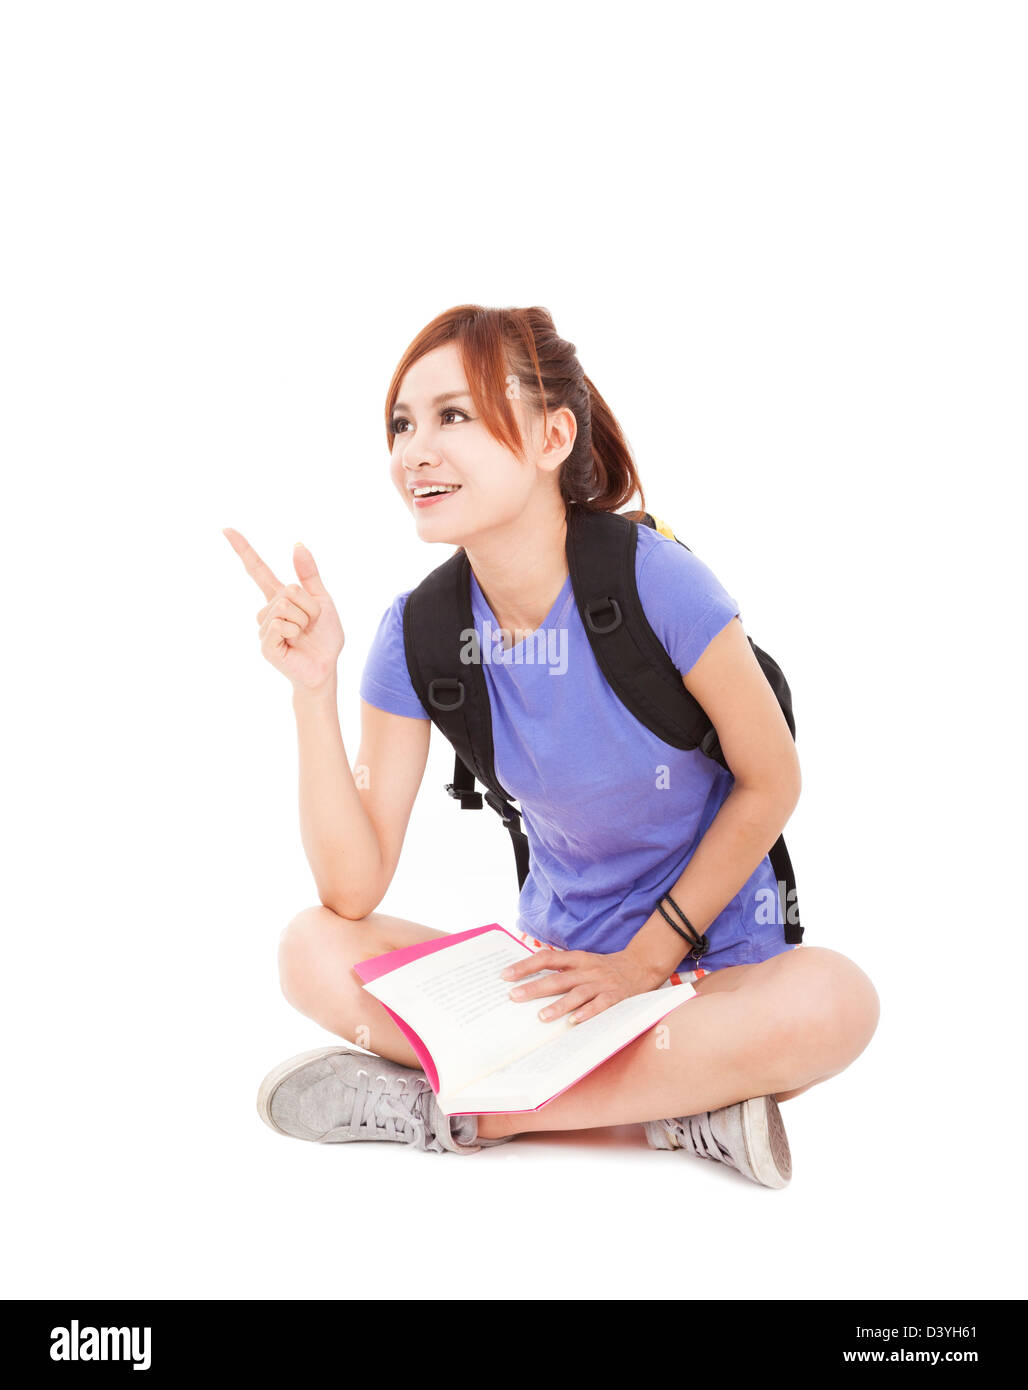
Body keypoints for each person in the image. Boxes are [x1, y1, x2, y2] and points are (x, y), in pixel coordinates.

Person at [224, 304, 880, 1188]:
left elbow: (773, 780)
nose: (415, 450)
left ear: (551, 435)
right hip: (549, 983)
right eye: (402, 424)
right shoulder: (419, 633)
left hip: (702, 975)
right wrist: (314, 691)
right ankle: (684, 1106)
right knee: (308, 946)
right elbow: (352, 887)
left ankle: (460, 1112)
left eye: (453, 415)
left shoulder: (658, 581)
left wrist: (646, 962)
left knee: (835, 1001)